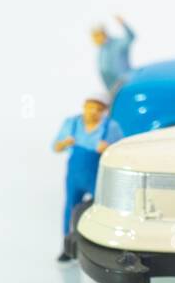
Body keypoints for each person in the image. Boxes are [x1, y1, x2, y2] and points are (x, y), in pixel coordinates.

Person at [53, 96, 123, 261]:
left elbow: (122, 150)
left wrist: (108, 148)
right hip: (74, 177)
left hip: (96, 177)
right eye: (90, 107)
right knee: (70, 209)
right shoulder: (72, 124)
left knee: (104, 208)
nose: (93, 112)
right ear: (84, 106)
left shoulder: (111, 127)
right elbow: (55, 147)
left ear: (104, 111)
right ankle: (67, 248)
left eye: (99, 109)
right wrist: (64, 143)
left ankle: (105, 246)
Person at [92, 16, 135, 95]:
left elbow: (131, 37)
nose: (96, 39)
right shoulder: (102, 50)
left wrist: (124, 24)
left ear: (103, 33)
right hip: (111, 87)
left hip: (124, 82)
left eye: (97, 35)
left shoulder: (117, 43)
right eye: (94, 37)